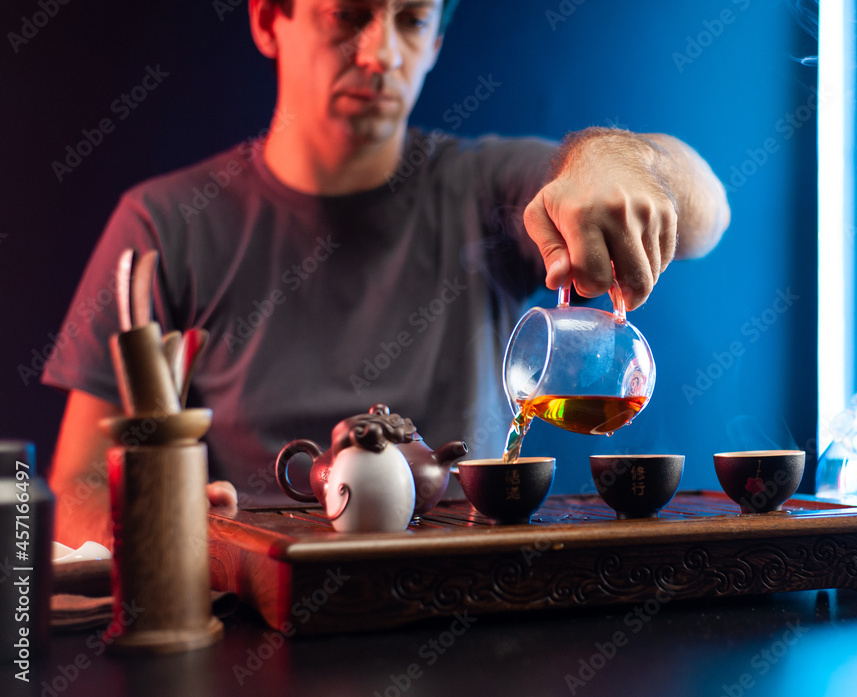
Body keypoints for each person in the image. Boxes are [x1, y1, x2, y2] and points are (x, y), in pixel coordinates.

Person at [42, 0, 730, 547]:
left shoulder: (487, 189)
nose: (381, 54)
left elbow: (711, 214)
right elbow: (72, 489)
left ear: (435, 41)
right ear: (267, 18)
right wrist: (160, 523)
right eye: (349, 15)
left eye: (412, 19)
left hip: (472, 614)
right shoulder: (166, 223)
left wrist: (619, 163)